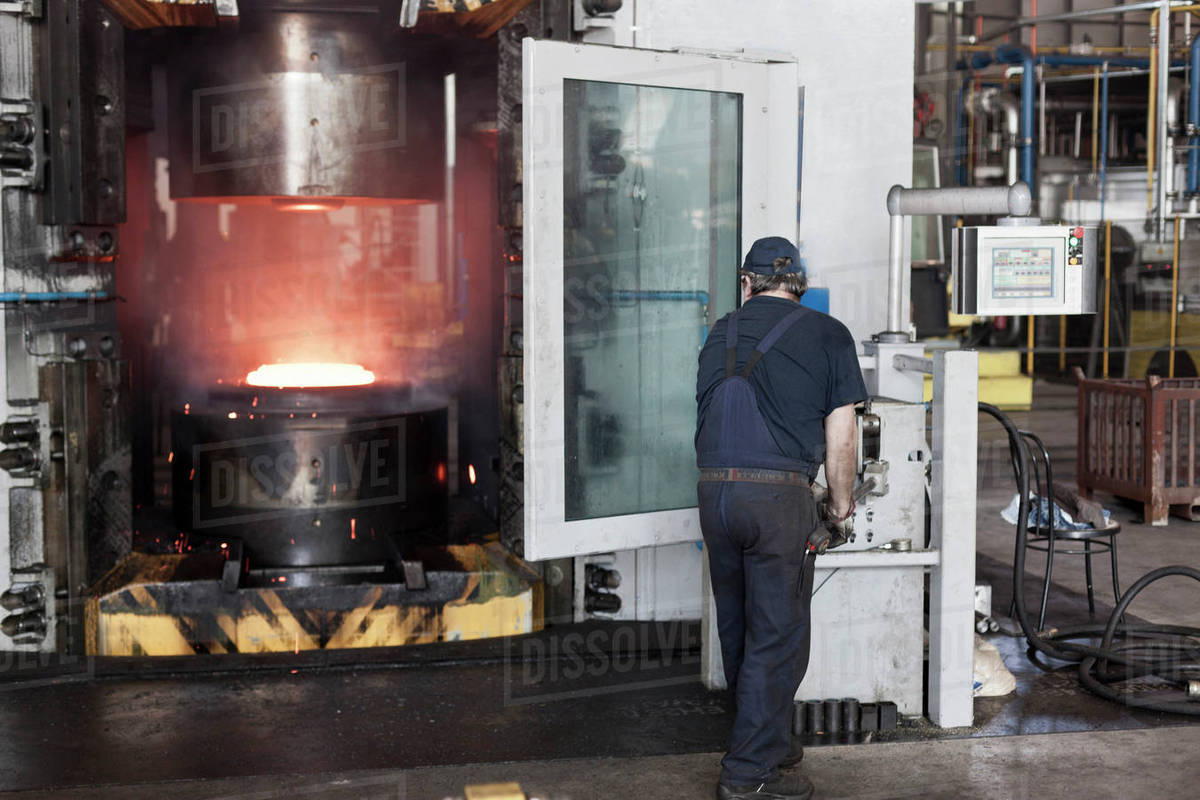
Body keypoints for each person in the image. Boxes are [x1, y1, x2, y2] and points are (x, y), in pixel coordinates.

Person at [695, 236, 866, 800]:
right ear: (801, 286)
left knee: (740, 626)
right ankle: (746, 776)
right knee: (779, 635)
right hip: (776, 502)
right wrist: (840, 505)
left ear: (746, 284)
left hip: (714, 495)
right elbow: (842, 436)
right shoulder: (829, 333)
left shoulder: (719, 333)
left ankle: (768, 741)